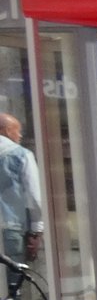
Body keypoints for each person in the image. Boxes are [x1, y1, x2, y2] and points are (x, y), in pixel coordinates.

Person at [0, 113, 44, 287]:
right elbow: (34, 196)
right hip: (12, 228)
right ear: (6, 130)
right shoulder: (22, 155)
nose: (19, 136)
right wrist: (36, 230)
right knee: (14, 286)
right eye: (17, 131)